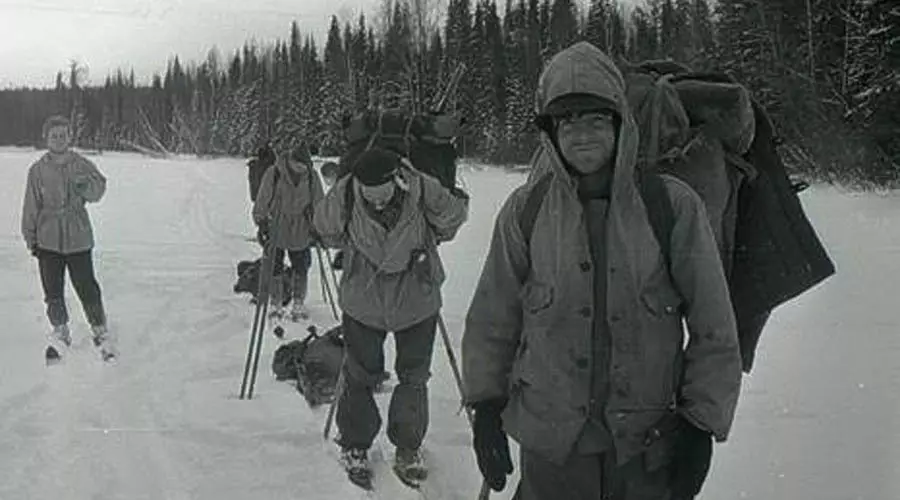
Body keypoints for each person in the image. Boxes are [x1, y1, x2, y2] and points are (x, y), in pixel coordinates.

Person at [461, 41, 742, 500]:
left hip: (647, 453)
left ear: (620, 122)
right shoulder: (525, 211)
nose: (582, 135)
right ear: (550, 132)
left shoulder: (671, 206)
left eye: (595, 119)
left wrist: (700, 425)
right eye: (567, 122)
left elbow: (714, 326)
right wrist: (487, 408)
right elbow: (494, 318)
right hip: (551, 452)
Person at [313, 147, 469, 487]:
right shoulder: (348, 192)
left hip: (416, 299)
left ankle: (408, 446)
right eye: (370, 197)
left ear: (397, 180)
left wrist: (446, 199)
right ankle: (355, 444)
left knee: (413, 376)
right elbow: (323, 226)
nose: (378, 203)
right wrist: (339, 191)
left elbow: (453, 217)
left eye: (383, 196)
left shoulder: (421, 187)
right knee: (358, 374)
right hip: (364, 301)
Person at [21, 115, 116, 363]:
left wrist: (85, 186)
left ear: (69, 137)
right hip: (48, 239)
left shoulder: (81, 163)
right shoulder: (37, 170)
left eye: (63, 134)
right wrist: (31, 238)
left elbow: (99, 190)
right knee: (52, 290)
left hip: (78, 238)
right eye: (54, 135)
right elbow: (31, 207)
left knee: (87, 286)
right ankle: (60, 330)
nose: (59, 139)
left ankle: (100, 329)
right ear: (47, 138)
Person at [253, 144, 324, 321]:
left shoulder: (312, 176)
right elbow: (262, 198)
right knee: (275, 265)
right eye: (299, 165)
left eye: (305, 166)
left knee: (302, 265)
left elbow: (319, 202)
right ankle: (276, 301)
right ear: (292, 161)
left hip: (302, 225)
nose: (302, 169)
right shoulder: (274, 173)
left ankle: (298, 302)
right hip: (277, 223)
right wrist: (261, 221)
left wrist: (320, 227)